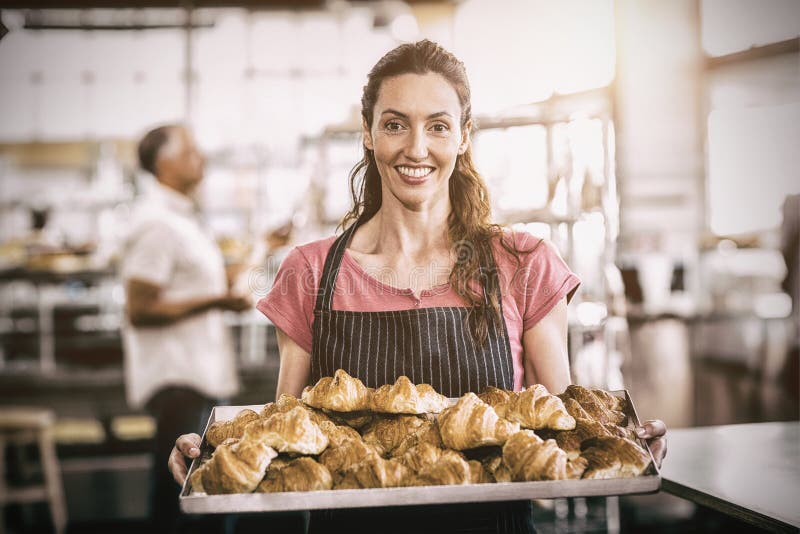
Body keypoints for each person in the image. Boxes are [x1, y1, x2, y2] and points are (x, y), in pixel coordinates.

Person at [169, 40, 667, 533]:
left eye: (438, 126)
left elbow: (562, 433)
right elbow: (284, 435)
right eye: (394, 124)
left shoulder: (523, 264)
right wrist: (211, 456)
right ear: (368, 133)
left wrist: (623, 442)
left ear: (464, 136)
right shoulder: (311, 272)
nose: (415, 149)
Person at [121, 124, 251, 533]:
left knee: (197, 493)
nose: (202, 156)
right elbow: (139, 308)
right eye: (191, 149)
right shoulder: (157, 222)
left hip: (200, 373)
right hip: (179, 380)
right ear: (163, 163)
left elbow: (204, 282)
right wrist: (217, 302)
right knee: (185, 497)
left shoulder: (183, 217)